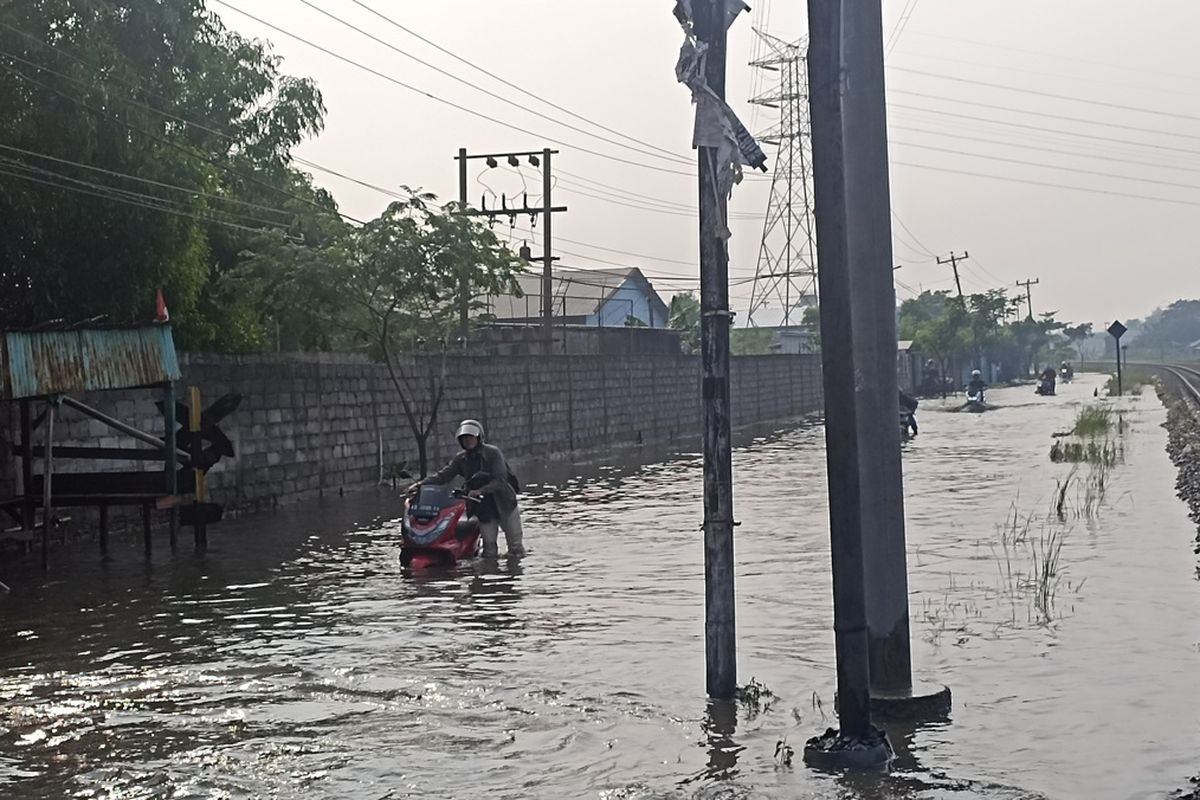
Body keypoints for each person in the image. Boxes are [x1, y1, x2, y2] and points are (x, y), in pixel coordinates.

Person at [414, 419, 525, 558]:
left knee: (516, 547)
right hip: (482, 507)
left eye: (471, 437)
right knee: (489, 548)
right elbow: (444, 475)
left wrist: (481, 490)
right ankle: (490, 576)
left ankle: (514, 574)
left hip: (504, 503)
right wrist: (421, 484)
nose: (468, 440)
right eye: (464, 438)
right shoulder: (461, 459)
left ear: (479, 437)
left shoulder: (493, 453)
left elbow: (500, 480)